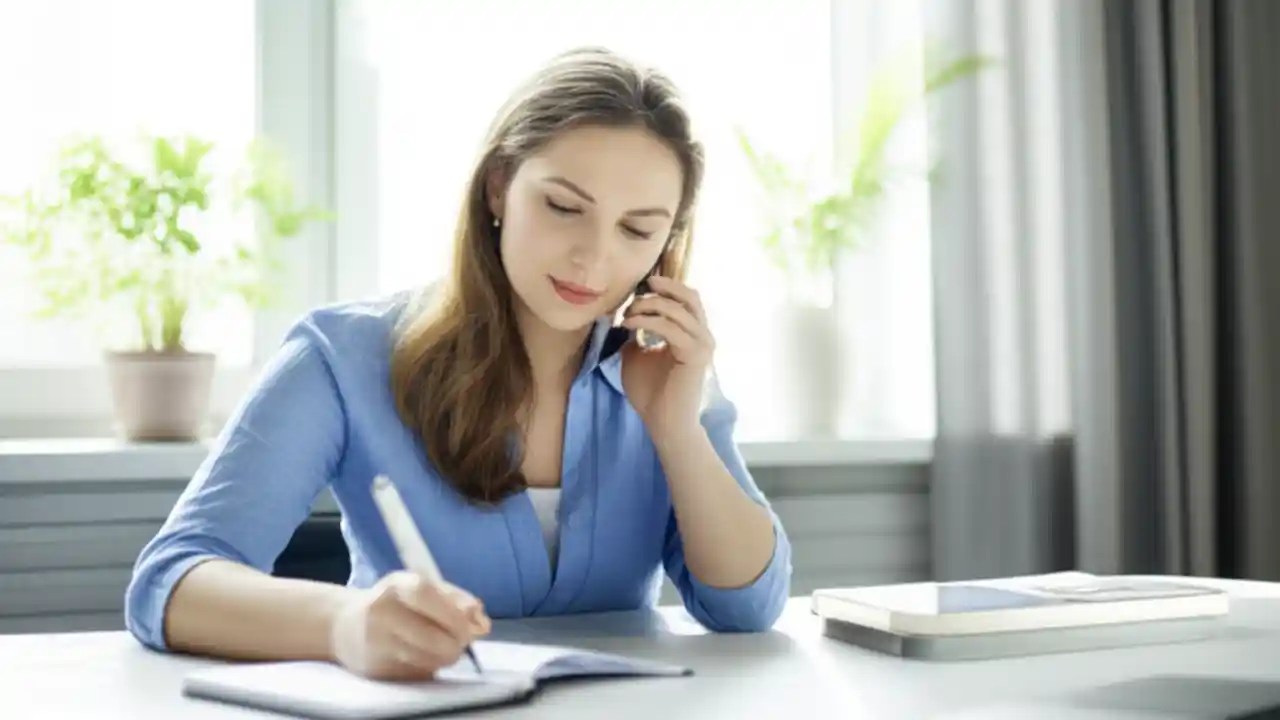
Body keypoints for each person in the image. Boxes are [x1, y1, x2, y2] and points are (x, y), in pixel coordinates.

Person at [125, 46, 792, 681]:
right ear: (499, 186)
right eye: (563, 207)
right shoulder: (344, 356)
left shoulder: (666, 371)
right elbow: (173, 580)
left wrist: (677, 431)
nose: (593, 257)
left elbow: (746, 608)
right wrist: (345, 624)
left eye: (636, 229)